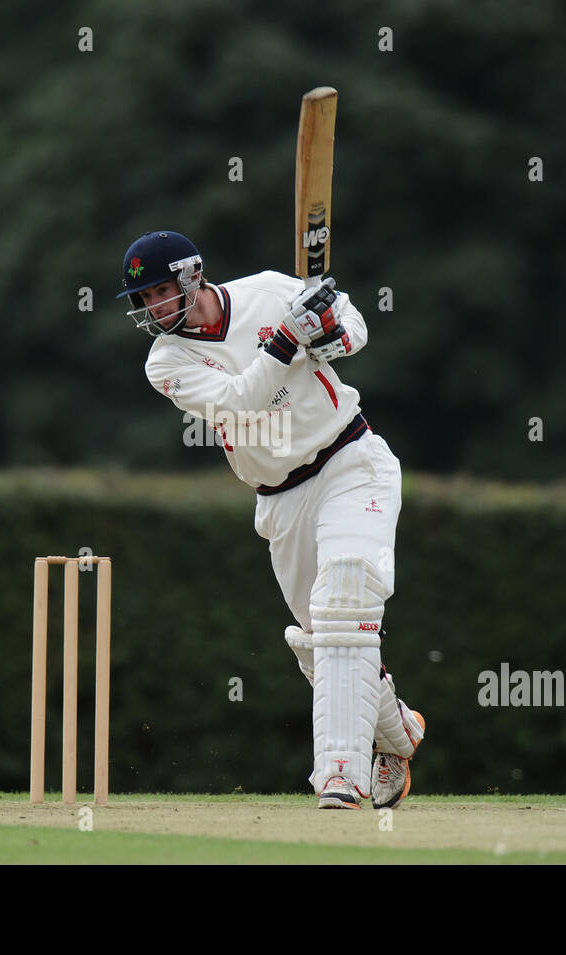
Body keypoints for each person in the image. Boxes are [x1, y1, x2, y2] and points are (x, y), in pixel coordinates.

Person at [117, 230, 425, 809]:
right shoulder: (167, 361)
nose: (154, 307)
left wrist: (330, 333)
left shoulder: (269, 289)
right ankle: (396, 731)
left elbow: (356, 330)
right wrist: (288, 340)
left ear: (191, 276)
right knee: (320, 642)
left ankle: (340, 774)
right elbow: (239, 402)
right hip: (281, 497)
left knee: (346, 599)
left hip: (350, 461)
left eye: (162, 290)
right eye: (144, 298)